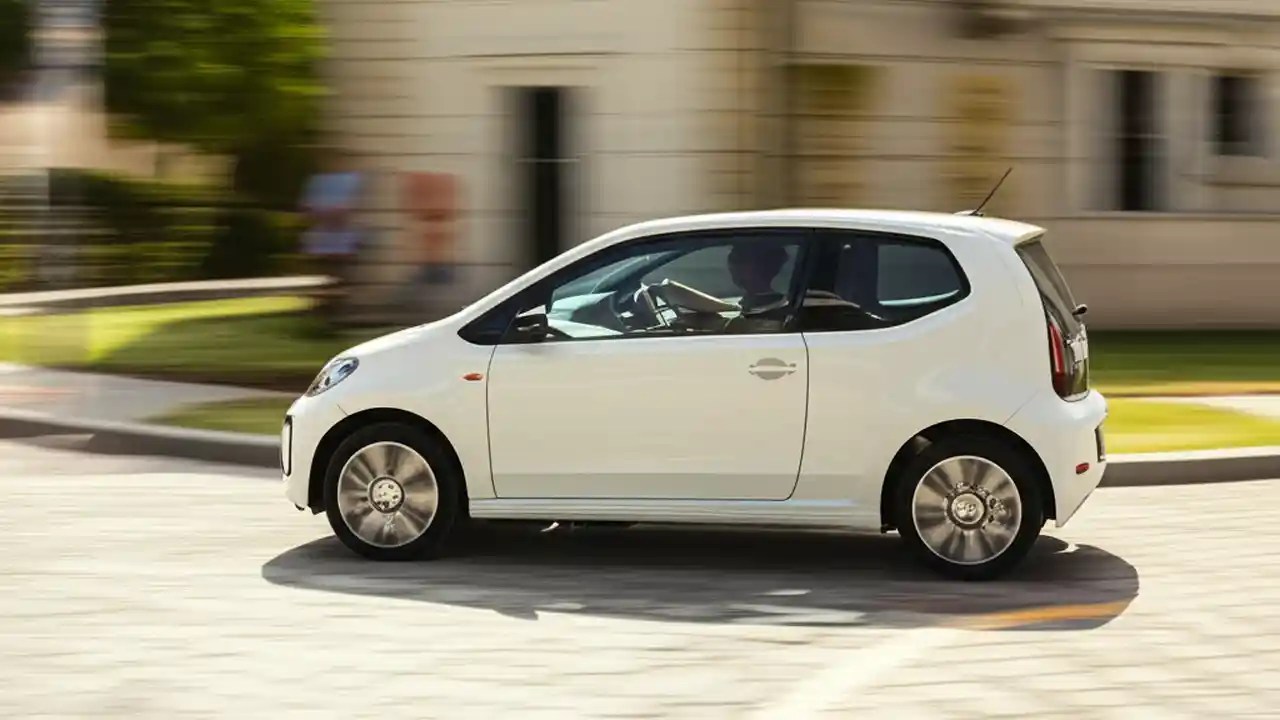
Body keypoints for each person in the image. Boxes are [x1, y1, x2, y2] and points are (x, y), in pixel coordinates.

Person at [300, 152, 364, 329]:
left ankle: (336, 315)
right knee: (323, 277)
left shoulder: (351, 180)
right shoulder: (318, 181)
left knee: (340, 277)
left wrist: (330, 212)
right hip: (322, 241)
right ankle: (324, 315)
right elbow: (308, 208)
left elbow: (348, 210)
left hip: (343, 241)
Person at [724, 242, 792, 333]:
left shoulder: (771, 313)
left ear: (760, 265)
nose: (731, 267)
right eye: (732, 260)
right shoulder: (754, 305)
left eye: (738, 260)